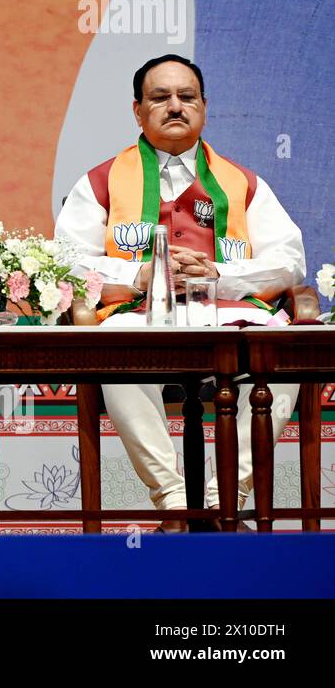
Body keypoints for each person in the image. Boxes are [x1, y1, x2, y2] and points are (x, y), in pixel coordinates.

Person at [55, 53, 305, 530]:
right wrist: (139, 277)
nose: (175, 106)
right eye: (160, 97)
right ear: (137, 110)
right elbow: (64, 262)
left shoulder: (245, 184)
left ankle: (217, 501)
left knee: (284, 362)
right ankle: (173, 502)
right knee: (115, 351)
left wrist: (218, 273)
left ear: (204, 107)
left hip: (225, 316)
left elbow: (290, 259)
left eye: (186, 97)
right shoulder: (100, 182)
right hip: (140, 317)